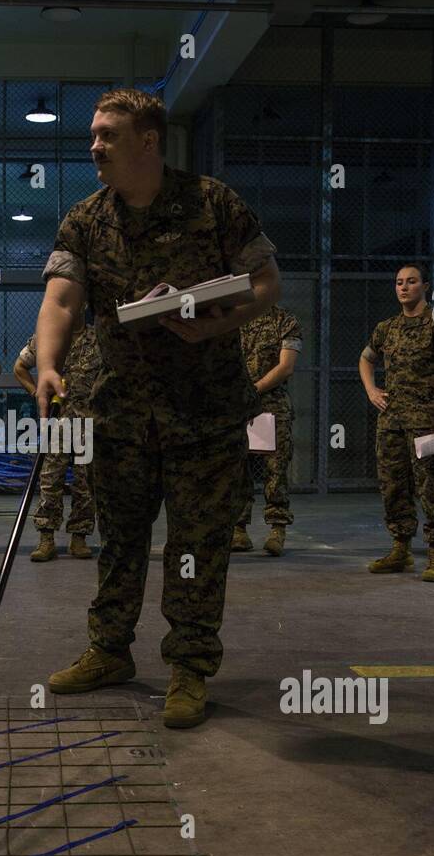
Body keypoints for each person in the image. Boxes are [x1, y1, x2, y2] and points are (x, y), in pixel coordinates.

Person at [34, 88, 281, 729]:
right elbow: (63, 299)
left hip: (204, 412)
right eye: (93, 134)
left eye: (108, 134)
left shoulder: (212, 203)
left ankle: (190, 668)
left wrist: (214, 321)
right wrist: (51, 362)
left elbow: (264, 284)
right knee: (120, 540)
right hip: (119, 411)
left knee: (197, 543)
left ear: (148, 140)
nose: (94, 145)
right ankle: (110, 651)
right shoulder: (86, 219)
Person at [359, 263, 434, 582]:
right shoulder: (387, 328)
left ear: (425, 286)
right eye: (399, 283)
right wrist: (371, 390)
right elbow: (366, 358)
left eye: (411, 282)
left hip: (428, 421)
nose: (404, 287)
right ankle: (401, 550)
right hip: (391, 421)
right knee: (393, 487)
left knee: (431, 487)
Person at [14, 314, 101, 561]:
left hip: (88, 422)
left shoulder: (97, 338)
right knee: (50, 480)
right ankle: (46, 539)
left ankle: (79, 538)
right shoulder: (48, 338)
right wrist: (36, 392)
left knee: (85, 482)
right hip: (55, 422)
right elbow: (19, 368)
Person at [232, 305, 302, 557]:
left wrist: (254, 390)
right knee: (237, 469)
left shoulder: (285, 321)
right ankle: (238, 529)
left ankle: (277, 529)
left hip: (272, 407)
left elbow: (286, 366)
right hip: (237, 406)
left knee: (276, 470)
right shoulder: (234, 319)